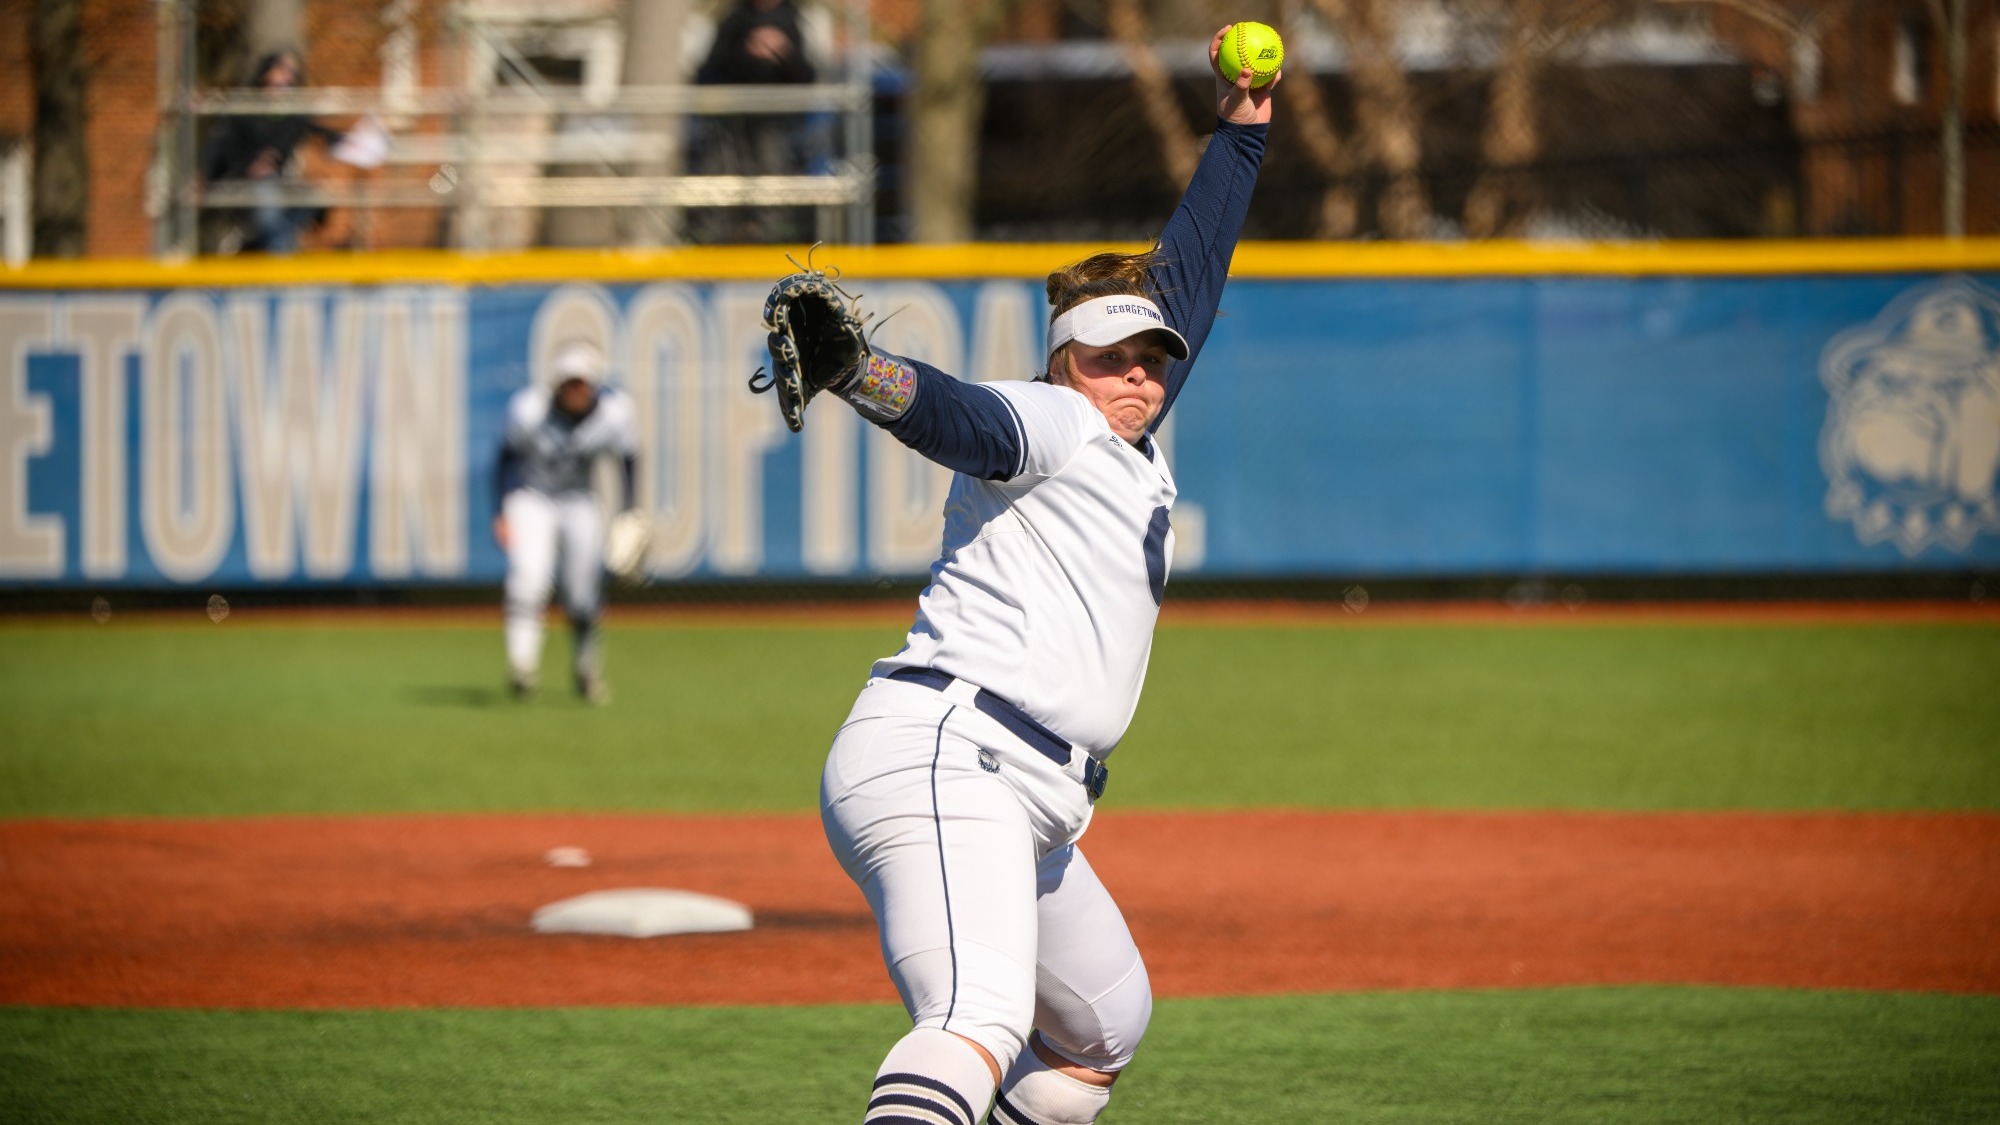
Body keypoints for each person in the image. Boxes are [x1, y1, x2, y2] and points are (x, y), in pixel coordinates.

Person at [809, 29, 1277, 1125]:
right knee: (975, 1016)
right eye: (1112, 359)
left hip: (1036, 797)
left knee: (1099, 1035)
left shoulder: (1127, 427)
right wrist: (861, 372)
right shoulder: (1057, 419)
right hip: (949, 755)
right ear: (1064, 360)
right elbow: (960, 417)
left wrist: (1241, 132)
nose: (1138, 377)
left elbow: (1192, 275)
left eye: (1152, 360)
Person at [492, 341, 639, 705]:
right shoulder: (529, 410)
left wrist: (629, 512)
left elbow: (628, 461)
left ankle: (586, 665)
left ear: (593, 385)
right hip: (532, 496)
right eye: (569, 383)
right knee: (528, 579)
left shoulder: (614, 414)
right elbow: (505, 460)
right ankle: (522, 666)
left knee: (582, 593)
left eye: (581, 383)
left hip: (579, 500)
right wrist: (500, 512)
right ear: (556, 384)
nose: (575, 390)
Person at [689, 0, 818, 243]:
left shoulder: (793, 21)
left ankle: (772, 234)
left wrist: (783, 54)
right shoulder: (733, 19)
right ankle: (714, 236)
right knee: (720, 177)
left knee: (772, 174)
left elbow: (806, 75)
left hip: (776, 124)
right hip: (730, 124)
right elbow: (709, 71)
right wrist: (747, 51)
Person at [199, 50, 343, 254]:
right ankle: (274, 260)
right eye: (282, 69)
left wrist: (346, 139)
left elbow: (318, 130)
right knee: (269, 209)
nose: (287, 76)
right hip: (241, 179)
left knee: (310, 199)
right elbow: (219, 145)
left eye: (292, 73)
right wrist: (247, 166)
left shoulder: (291, 115)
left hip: (276, 182)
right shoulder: (244, 108)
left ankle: (255, 248)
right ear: (266, 73)